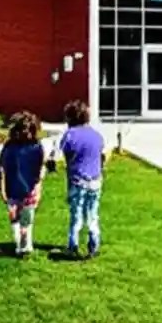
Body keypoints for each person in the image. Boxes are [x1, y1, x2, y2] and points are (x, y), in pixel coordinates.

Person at [50, 99, 107, 258]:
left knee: (76, 215)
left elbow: (58, 155)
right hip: (95, 180)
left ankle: (73, 245)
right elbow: (102, 156)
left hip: (77, 181)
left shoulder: (69, 135)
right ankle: (94, 244)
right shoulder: (96, 135)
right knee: (92, 214)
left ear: (70, 118)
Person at [0, 111, 46, 256]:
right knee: (26, 220)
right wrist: (38, 185)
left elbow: (0, 168)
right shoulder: (37, 147)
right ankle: (25, 243)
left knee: (15, 218)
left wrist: (1, 188)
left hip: (14, 189)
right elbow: (41, 169)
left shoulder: (9, 147)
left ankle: (20, 243)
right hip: (29, 189)